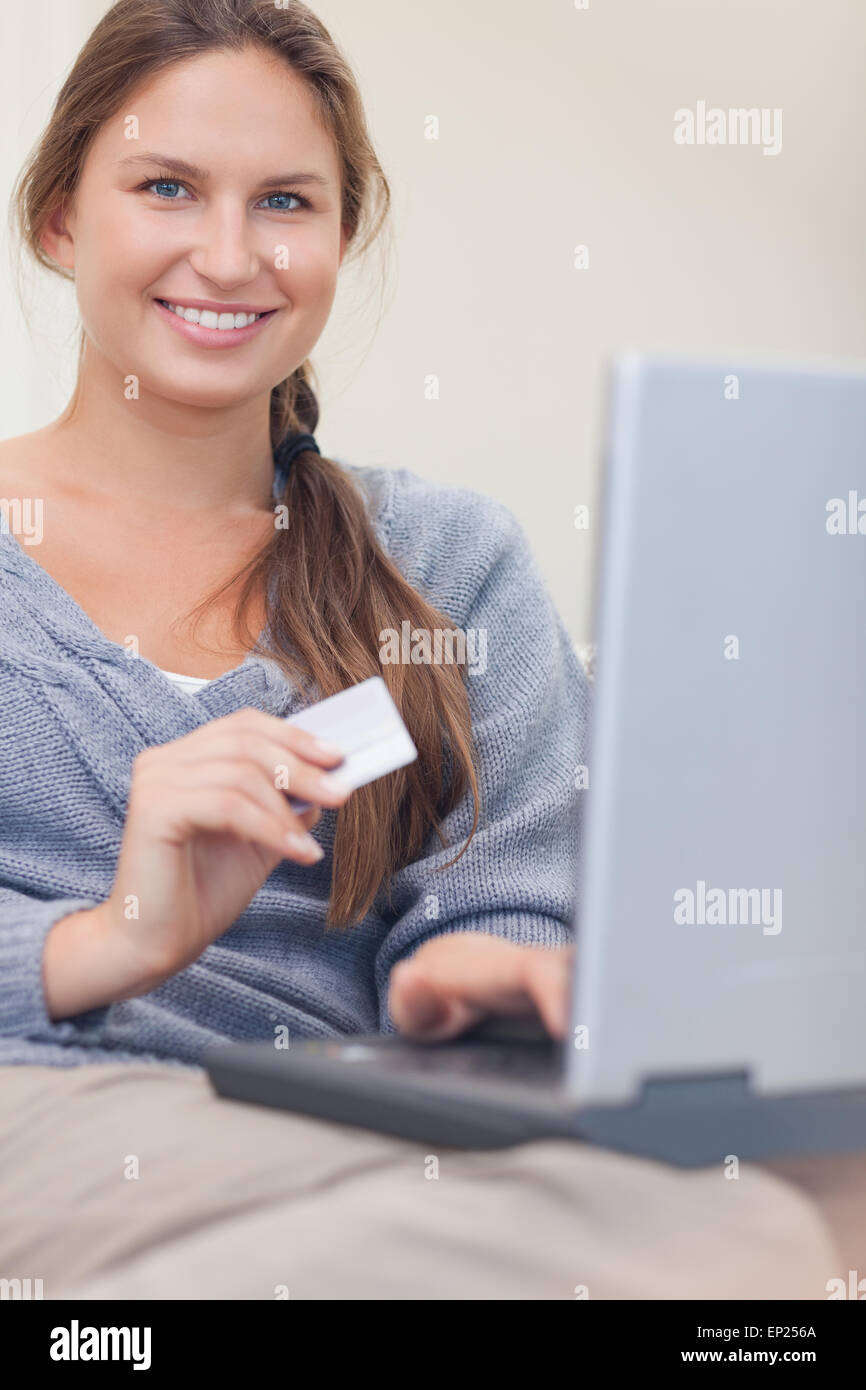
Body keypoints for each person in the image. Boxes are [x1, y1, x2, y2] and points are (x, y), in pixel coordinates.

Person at [0, 0, 849, 1300]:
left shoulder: (442, 560)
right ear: (60, 218)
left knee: (781, 1186)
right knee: (724, 1244)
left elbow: (493, 897)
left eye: (285, 202)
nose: (229, 255)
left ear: (342, 237)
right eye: (166, 186)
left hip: (375, 1125)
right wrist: (113, 935)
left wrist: (488, 970)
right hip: (55, 1105)